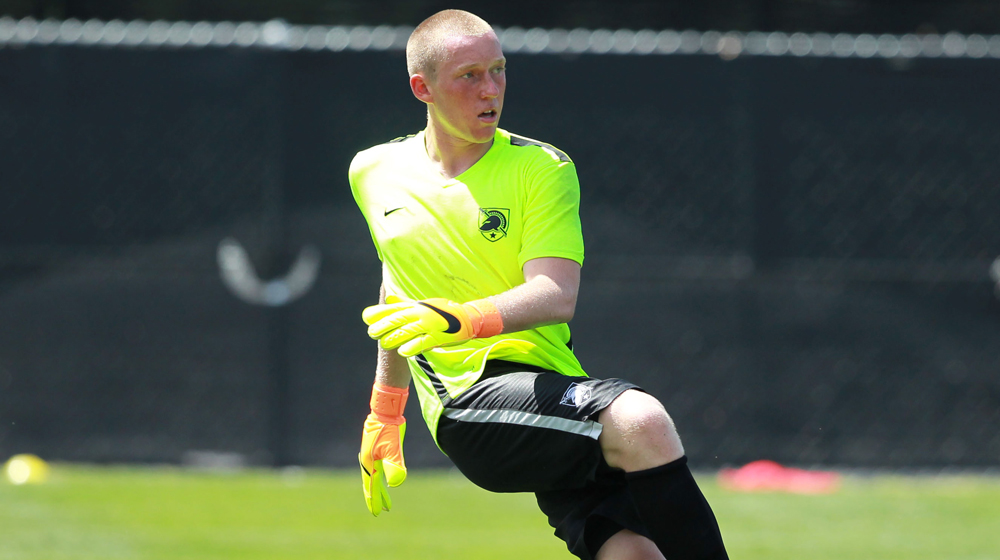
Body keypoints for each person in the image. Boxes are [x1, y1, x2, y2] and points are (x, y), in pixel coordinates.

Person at [350, 9, 728, 560]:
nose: (491, 89)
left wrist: (457, 317)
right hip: (468, 399)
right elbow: (398, 286)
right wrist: (387, 406)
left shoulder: (542, 168)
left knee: (632, 553)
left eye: (499, 70)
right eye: (470, 76)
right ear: (422, 88)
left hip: (548, 387)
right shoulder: (373, 170)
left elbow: (556, 295)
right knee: (640, 420)